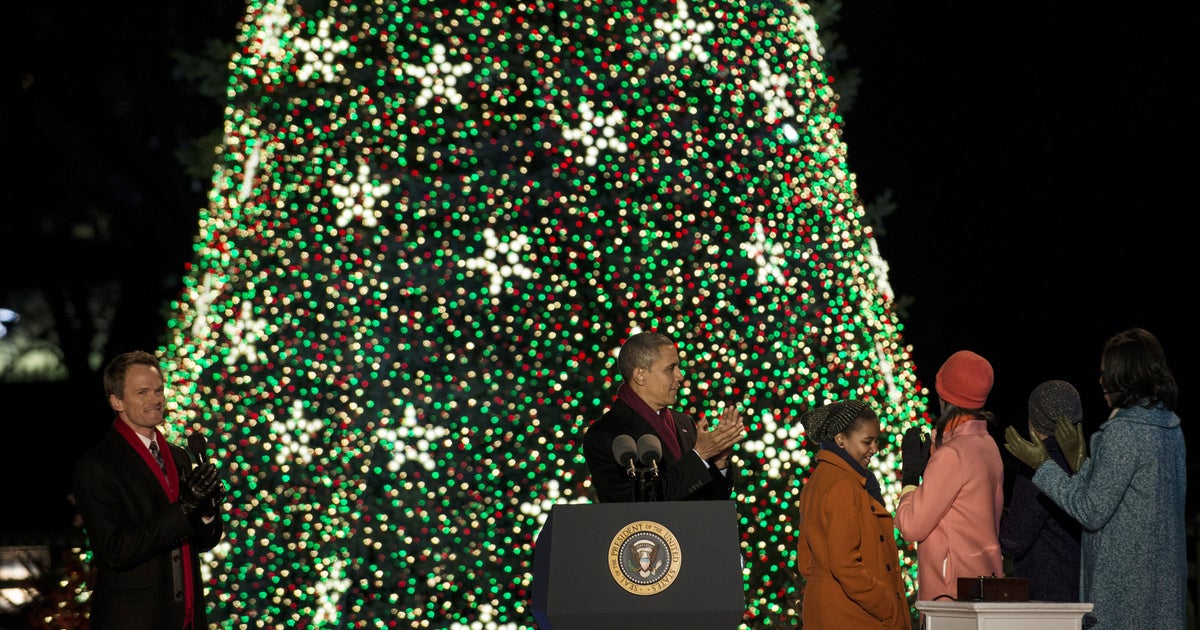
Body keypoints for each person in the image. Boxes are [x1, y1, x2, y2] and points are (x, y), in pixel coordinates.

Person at [1004, 328, 1185, 630]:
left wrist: (1043, 465)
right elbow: (1122, 497)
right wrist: (1082, 464)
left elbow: (1091, 511)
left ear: (1125, 374)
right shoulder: (1168, 426)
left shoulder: (1124, 431)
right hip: (1160, 592)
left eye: (1106, 372)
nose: (1101, 380)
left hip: (1124, 598)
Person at [72, 350, 228, 630]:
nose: (156, 399)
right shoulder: (97, 465)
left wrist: (207, 512)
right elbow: (116, 551)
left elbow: (203, 542)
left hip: (189, 619)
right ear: (116, 401)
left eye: (159, 390)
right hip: (135, 621)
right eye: (142, 392)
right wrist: (185, 509)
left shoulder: (180, 457)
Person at [582, 331, 746, 502]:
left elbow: (710, 502)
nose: (680, 376)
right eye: (670, 369)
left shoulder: (684, 423)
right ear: (640, 375)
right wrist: (700, 455)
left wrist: (719, 461)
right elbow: (635, 504)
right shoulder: (604, 434)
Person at [894, 350, 1004, 603]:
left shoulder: (952, 455)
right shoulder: (987, 445)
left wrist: (910, 480)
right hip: (980, 582)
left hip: (949, 593)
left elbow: (911, 526)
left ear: (943, 394)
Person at [795, 399, 910, 629]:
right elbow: (844, 563)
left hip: (828, 609)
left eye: (876, 441)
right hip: (854, 615)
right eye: (867, 441)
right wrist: (884, 605)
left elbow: (806, 562)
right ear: (840, 439)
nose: (874, 449)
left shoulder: (818, 480)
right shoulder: (844, 485)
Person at [998, 379, 1084, 602]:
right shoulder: (1082, 461)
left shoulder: (1038, 464)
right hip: (1081, 591)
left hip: (1045, 597)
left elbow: (1014, 540)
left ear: (1033, 420)